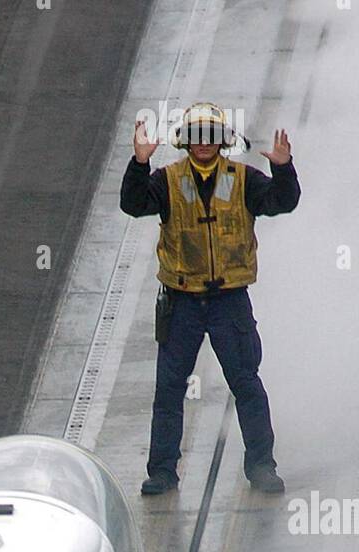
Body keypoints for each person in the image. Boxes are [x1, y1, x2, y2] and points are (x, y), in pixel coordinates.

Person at [120, 101, 300, 495]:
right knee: (168, 388)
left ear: (222, 141)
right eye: (197, 136)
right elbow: (132, 205)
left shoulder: (244, 179)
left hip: (228, 302)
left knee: (246, 384)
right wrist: (138, 165)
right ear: (185, 142)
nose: (204, 144)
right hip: (182, 301)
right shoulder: (166, 180)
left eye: (211, 136)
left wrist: (283, 169)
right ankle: (163, 472)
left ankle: (261, 466)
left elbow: (282, 202)